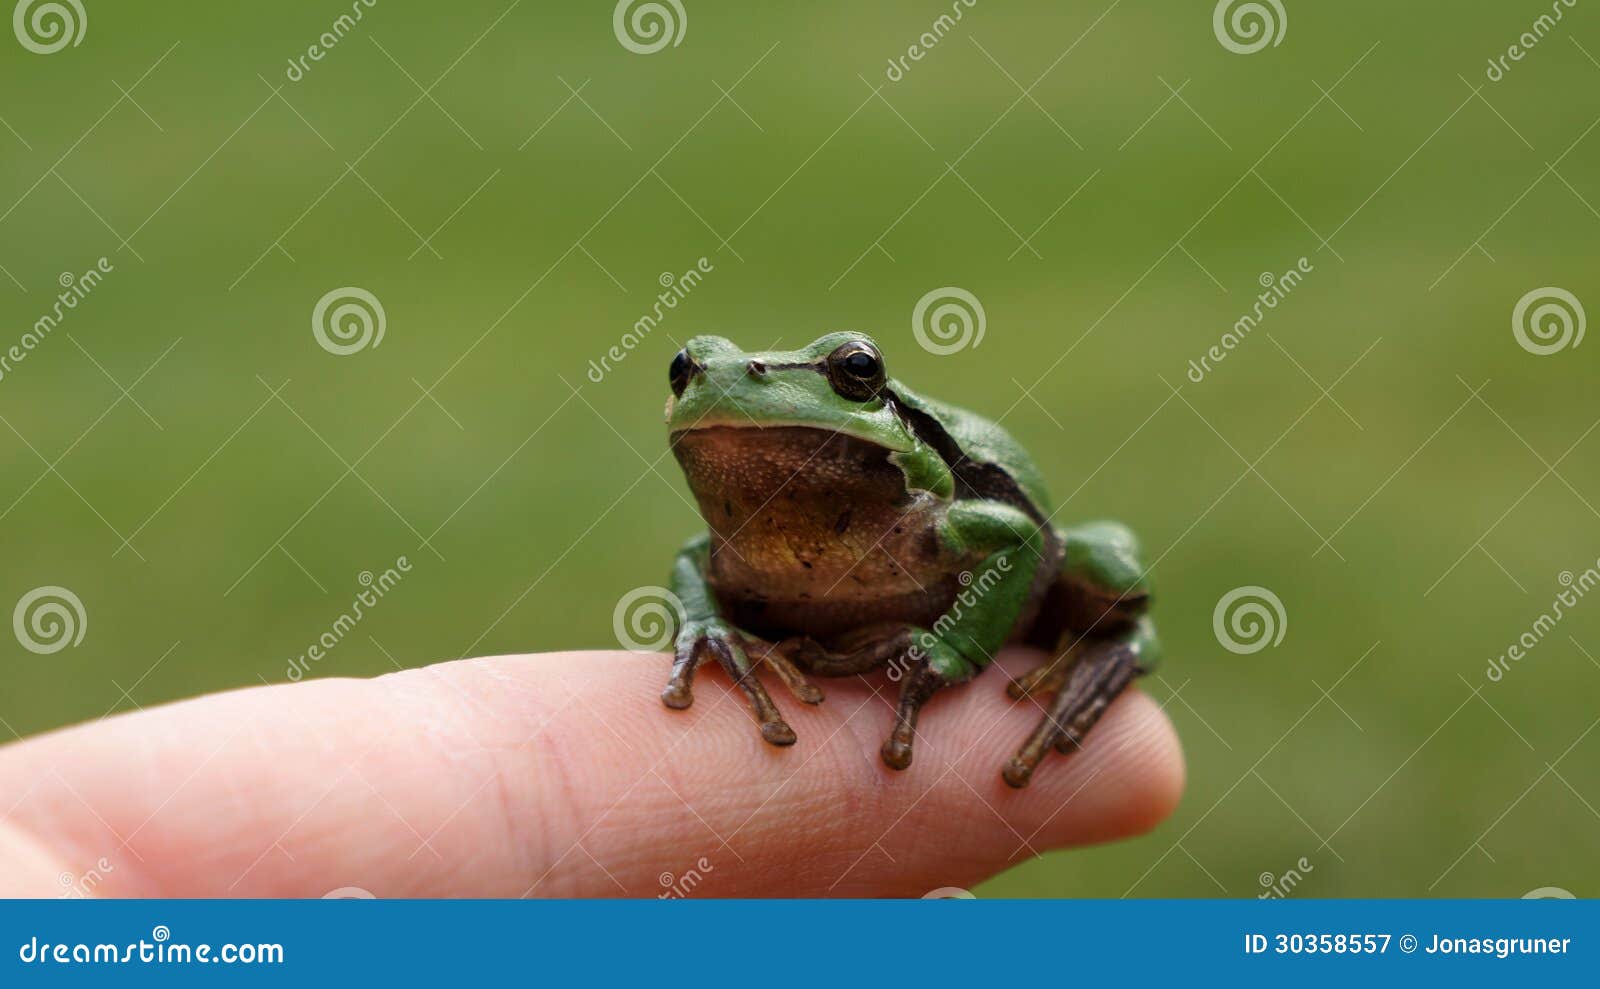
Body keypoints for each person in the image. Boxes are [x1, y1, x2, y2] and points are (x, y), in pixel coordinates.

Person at [0, 647, 1183, 897]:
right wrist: (704, 623)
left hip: (1002, 591)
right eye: (687, 372)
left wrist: (946, 655)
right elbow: (697, 560)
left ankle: (1100, 654)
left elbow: (1014, 540)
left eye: (848, 379)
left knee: (1101, 574)